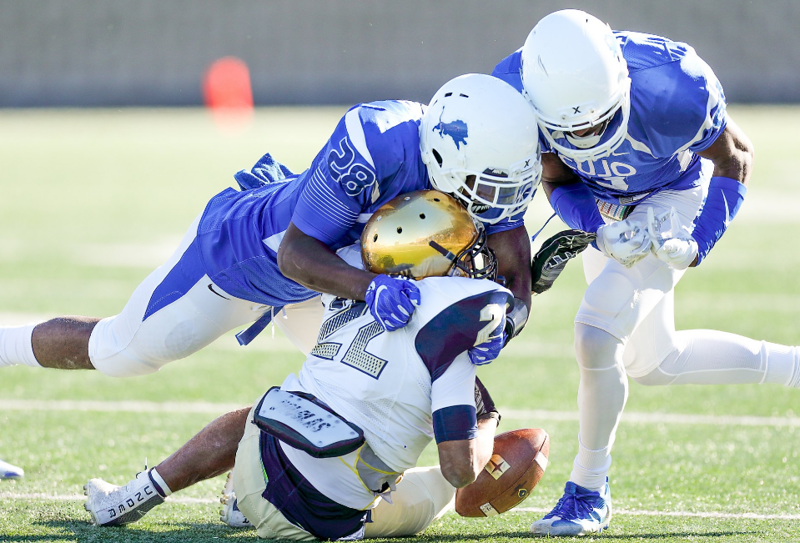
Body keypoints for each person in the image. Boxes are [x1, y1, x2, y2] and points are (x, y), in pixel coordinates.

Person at [0, 73, 539, 378]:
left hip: (335, 286)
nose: (500, 204)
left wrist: (508, 321)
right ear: (446, 155)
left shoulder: (481, 166)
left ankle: (262, 485)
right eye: (492, 187)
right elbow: (296, 255)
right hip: (248, 257)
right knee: (121, 352)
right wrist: (372, 287)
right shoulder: (377, 140)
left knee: (394, 381)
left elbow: (516, 268)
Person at [492, 9, 800, 537]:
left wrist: (698, 242)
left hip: (675, 194)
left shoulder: (674, 84)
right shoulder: (517, 91)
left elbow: (736, 157)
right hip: (611, 208)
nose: (589, 133)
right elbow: (559, 178)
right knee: (656, 362)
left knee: (595, 334)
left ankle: (589, 490)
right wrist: (597, 224)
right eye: (574, 127)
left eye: (598, 118)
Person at [84, 190, 511, 540]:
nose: (470, 264)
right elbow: (461, 470)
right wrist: (487, 420)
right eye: (460, 253)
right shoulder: (452, 332)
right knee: (438, 485)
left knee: (271, 409)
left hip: (258, 461)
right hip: (324, 520)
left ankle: (135, 495)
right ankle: (259, 506)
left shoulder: (348, 274)